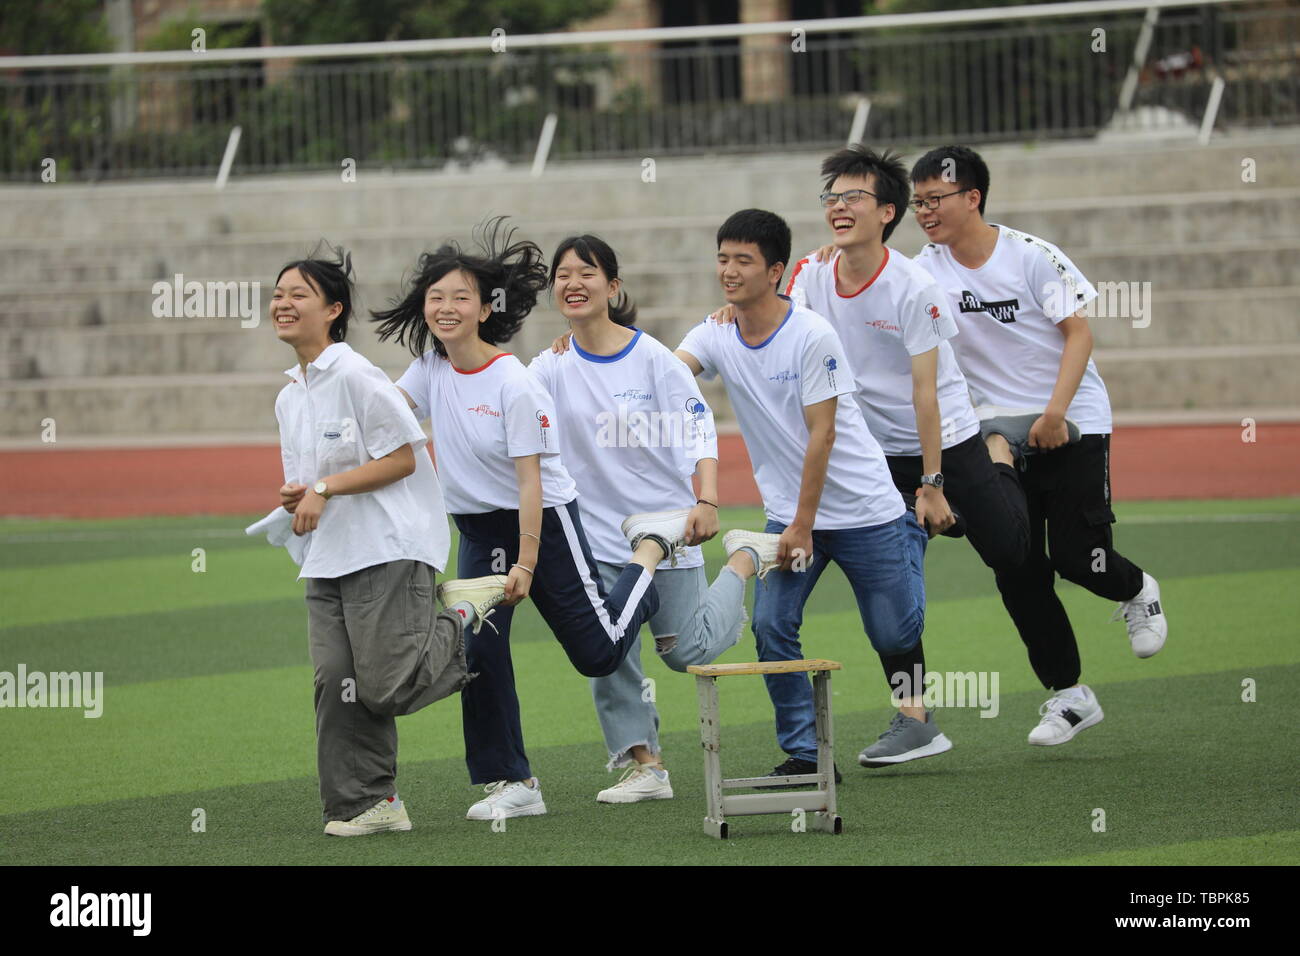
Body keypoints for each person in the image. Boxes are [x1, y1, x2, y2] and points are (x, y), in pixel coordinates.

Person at [712, 146, 1031, 764]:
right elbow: (777, 316)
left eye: (853, 197)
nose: (838, 206)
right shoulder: (808, 274)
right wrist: (739, 307)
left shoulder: (915, 286)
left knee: (1010, 552)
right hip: (865, 453)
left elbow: (927, 392)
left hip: (943, 439)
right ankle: (906, 718)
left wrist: (934, 481)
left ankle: (1003, 456)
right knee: (836, 611)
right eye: (831, 197)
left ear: (888, 212)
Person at [371, 218, 685, 821]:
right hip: (478, 532)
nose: (445, 307)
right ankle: (513, 782)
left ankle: (648, 551)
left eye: (460, 296)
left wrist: (526, 563)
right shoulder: (431, 368)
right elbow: (384, 411)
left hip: (542, 523)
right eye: (435, 296)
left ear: (485, 308)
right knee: (477, 654)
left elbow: (530, 483)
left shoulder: (514, 382)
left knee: (596, 654)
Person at [675, 209, 953, 782]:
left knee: (895, 634)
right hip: (789, 517)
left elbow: (820, 434)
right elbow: (667, 373)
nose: (728, 270)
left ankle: (910, 535)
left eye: (743, 261)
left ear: (776, 270)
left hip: (865, 512)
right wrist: (593, 344)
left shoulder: (811, 335)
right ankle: (807, 756)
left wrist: (804, 524)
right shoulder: (715, 331)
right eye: (723, 258)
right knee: (773, 626)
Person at [909, 144, 1168, 745]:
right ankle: (1069, 696)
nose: (924, 212)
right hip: (993, 435)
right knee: (1017, 566)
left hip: (1069, 419)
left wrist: (1055, 413)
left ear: (972, 198)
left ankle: (1137, 590)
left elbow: (1079, 334)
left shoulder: (1029, 257)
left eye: (935, 200)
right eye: (917, 203)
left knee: (1080, 557)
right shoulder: (923, 269)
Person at [536, 234, 760, 803]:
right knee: (608, 652)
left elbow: (699, 429)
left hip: (664, 532)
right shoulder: (550, 366)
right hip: (594, 540)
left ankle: (745, 558)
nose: (574, 283)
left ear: (612, 286)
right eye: (563, 274)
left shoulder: (654, 358)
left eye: (587, 273)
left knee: (686, 652)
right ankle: (645, 766)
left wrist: (706, 501)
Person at [270, 245, 470, 837]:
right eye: (278, 294)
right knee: (337, 681)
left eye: (297, 294)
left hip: (388, 546)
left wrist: (324, 487)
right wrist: (301, 494)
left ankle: (466, 620)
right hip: (328, 555)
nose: (282, 303)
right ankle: (366, 803)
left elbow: (406, 458)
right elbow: (317, 481)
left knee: (385, 684)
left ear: (332, 309)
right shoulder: (289, 395)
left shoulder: (357, 375)